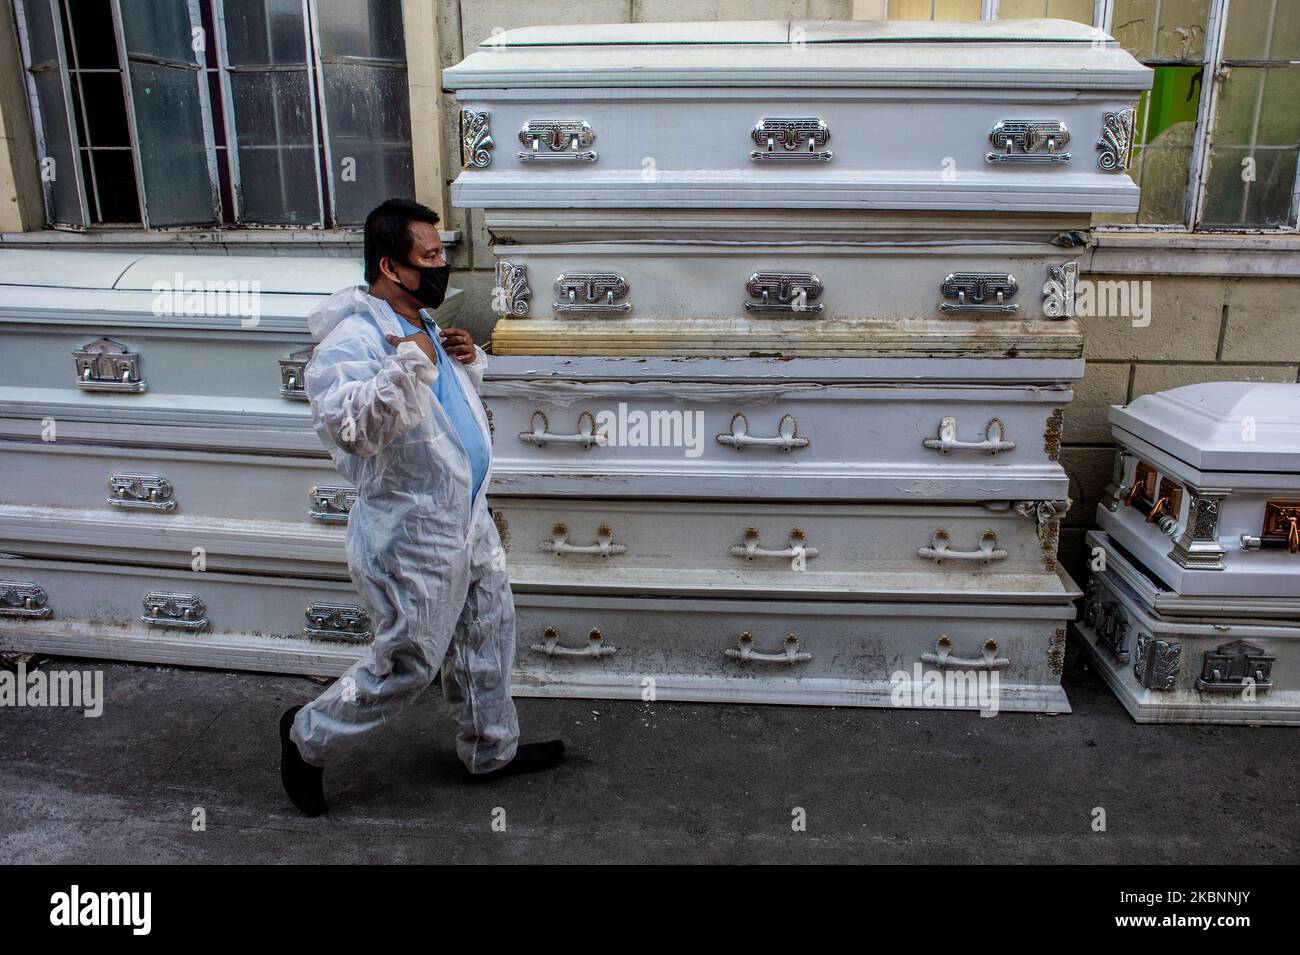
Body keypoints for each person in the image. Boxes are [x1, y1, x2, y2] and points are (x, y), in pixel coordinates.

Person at [278, 198, 564, 816]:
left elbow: (441, 421)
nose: (443, 267)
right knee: (407, 662)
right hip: (413, 528)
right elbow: (352, 427)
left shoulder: (422, 322)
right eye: (430, 257)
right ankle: (307, 737)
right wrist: (413, 362)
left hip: (467, 516)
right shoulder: (351, 340)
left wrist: (464, 360)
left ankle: (493, 750)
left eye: (443, 254)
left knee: (487, 635)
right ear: (390, 265)